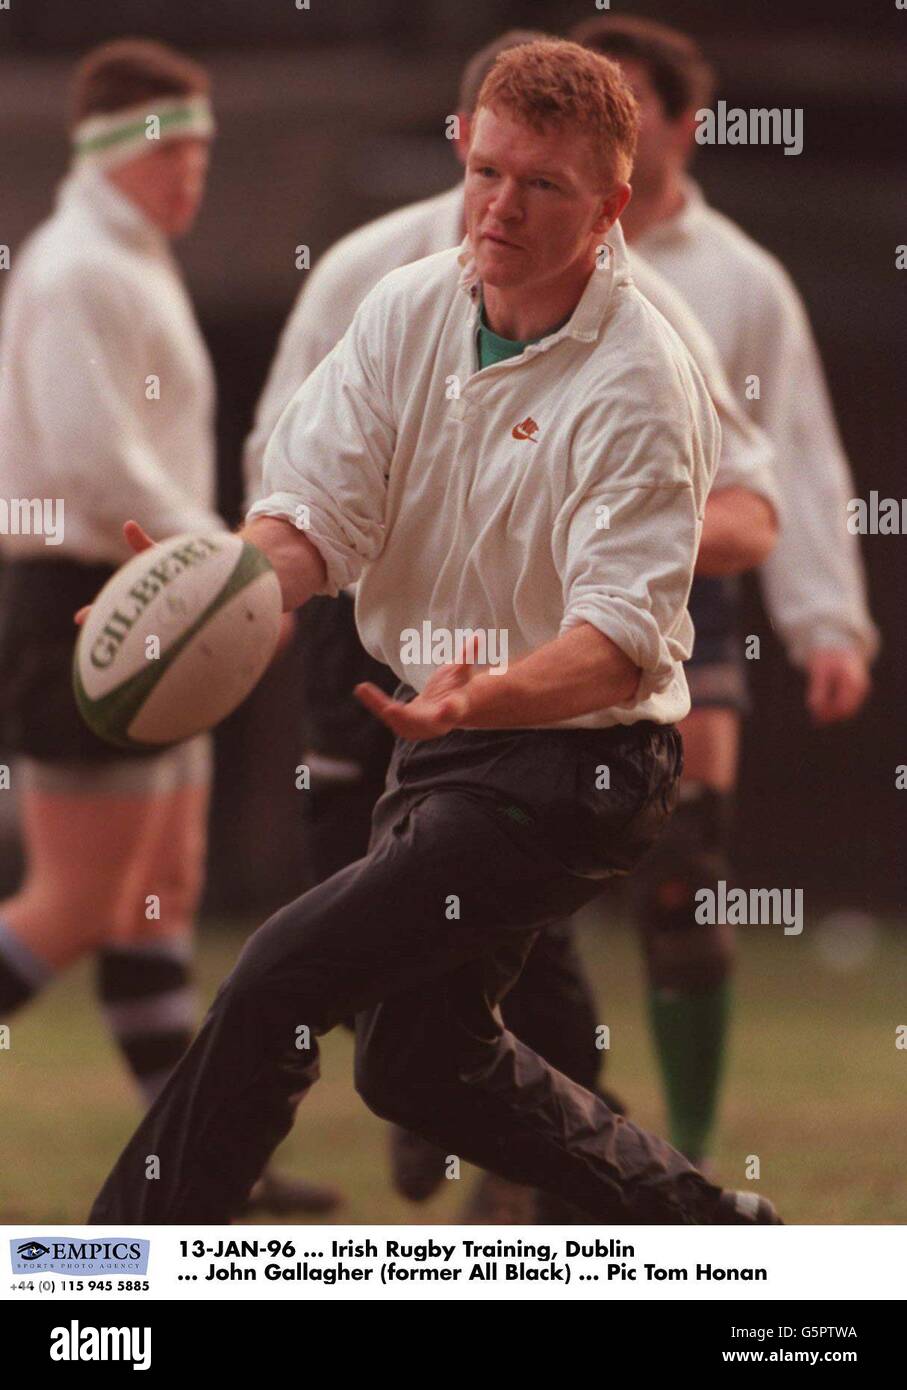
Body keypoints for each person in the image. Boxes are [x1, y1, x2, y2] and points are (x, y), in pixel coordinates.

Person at [89, 39, 781, 1226]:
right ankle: (724, 1238)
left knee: (273, 981)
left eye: (543, 186)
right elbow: (318, 515)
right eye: (488, 171)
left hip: (582, 765)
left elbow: (617, 642)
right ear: (463, 150)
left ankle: (114, 1272)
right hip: (447, 746)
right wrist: (228, 580)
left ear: (611, 205)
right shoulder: (406, 304)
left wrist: (481, 696)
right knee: (416, 1066)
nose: (501, 206)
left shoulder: (642, 377)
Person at [0, 38, 336, 1217]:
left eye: (203, 148)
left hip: (153, 593)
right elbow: (99, 464)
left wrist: (215, 572)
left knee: (159, 895)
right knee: (78, 904)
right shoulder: (82, 265)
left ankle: (204, 1171)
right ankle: (210, 1169)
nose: (194, 171)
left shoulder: (124, 256)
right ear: (111, 153)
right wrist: (229, 567)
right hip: (93, 599)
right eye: (171, 149)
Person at [569, 14, 877, 1169]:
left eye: (631, 105)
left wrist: (827, 619)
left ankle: (685, 1157)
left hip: (695, 591)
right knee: (509, 880)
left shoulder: (740, 277)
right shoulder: (516, 234)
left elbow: (790, 456)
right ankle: (513, 1147)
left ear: (686, 127)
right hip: (539, 591)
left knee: (687, 877)